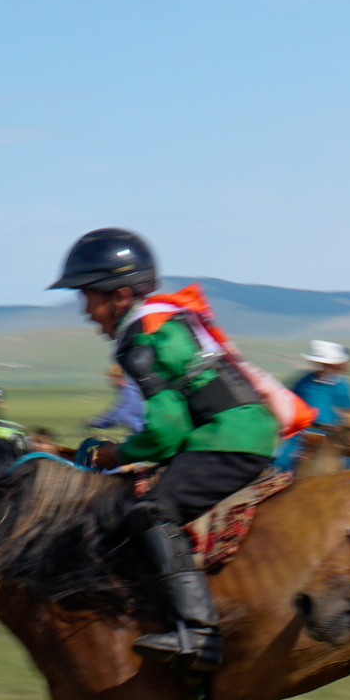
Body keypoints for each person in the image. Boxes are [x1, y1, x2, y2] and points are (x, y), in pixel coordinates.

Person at [50, 227, 278, 670]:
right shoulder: (163, 321)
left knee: (150, 512)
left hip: (227, 441)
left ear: (118, 295)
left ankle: (198, 632)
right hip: (237, 433)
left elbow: (167, 431)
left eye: (87, 297)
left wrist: (116, 454)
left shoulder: (141, 339)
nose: (85, 311)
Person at [278, 341, 350, 472]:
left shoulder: (343, 386)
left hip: (333, 434)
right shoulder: (303, 382)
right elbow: (290, 403)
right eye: (321, 363)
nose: (324, 366)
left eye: (327, 364)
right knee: (283, 458)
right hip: (304, 432)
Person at [86, 367, 147, 439]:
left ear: (119, 378)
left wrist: (97, 423)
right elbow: (119, 408)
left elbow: (122, 414)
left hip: (144, 434)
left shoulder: (129, 392)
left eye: (112, 378)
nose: (110, 381)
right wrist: (105, 417)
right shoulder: (133, 389)